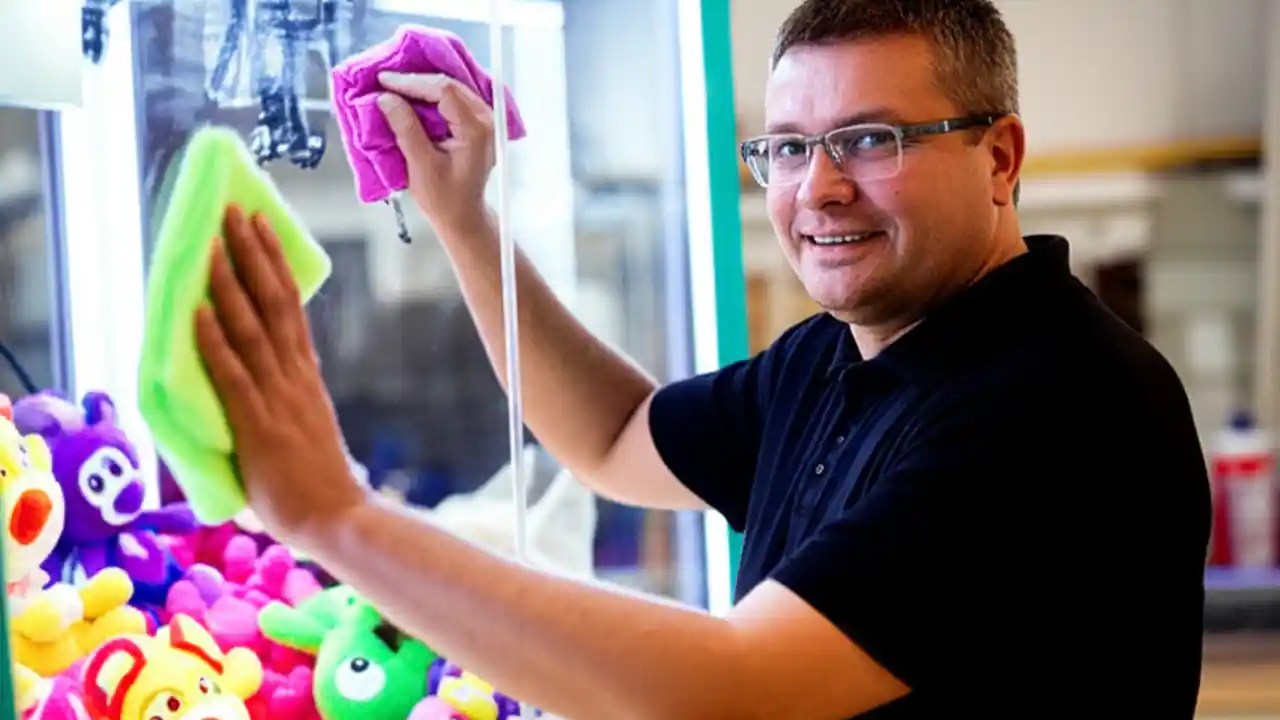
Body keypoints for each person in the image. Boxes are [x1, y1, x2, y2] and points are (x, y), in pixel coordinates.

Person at [195, 0, 1211, 717]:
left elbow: (731, 694)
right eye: (784, 146)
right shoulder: (831, 356)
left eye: (866, 140)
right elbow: (610, 436)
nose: (815, 188)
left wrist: (335, 518)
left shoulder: (1055, 401)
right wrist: (463, 220)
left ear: (997, 157)